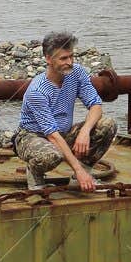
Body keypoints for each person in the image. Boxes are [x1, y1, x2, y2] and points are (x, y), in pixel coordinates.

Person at [13, 31, 117, 191]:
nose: (69, 62)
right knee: (51, 155)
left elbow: (96, 105)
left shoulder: (78, 73)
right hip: (33, 136)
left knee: (107, 124)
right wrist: (78, 169)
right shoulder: (38, 91)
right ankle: (35, 175)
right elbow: (52, 136)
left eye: (71, 57)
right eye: (63, 58)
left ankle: (79, 179)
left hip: (62, 132)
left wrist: (84, 132)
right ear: (48, 59)